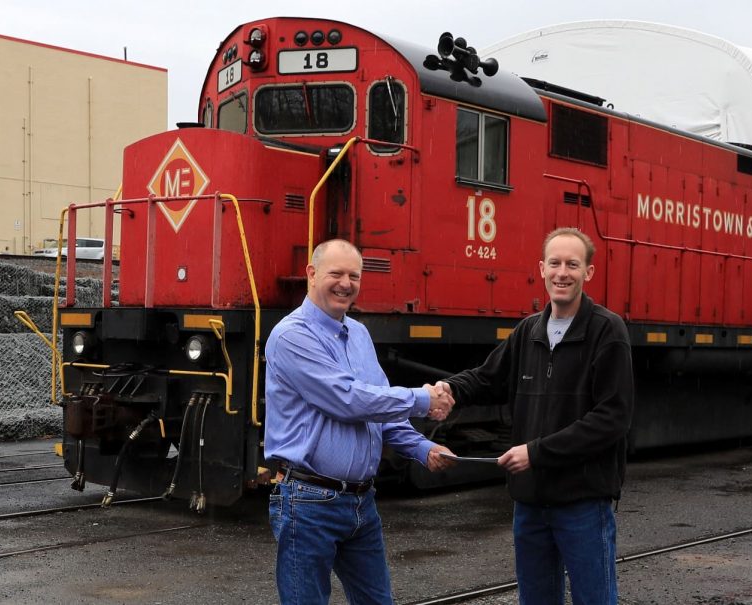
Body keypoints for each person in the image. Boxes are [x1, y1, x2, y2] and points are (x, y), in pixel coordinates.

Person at [438, 227, 634, 605]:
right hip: (530, 506)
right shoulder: (528, 331)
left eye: (572, 265)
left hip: (583, 504)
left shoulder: (607, 331)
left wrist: (536, 452)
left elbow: (613, 418)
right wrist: (447, 390)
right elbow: (486, 378)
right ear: (541, 269)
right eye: (555, 263)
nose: (563, 273)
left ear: (588, 273)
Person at [265, 238, 456, 605]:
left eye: (354, 275)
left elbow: (378, 410)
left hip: (361, 502)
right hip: (308, 502)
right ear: (311, 274)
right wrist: (422, 398)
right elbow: (348, 400)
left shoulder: (359, 335)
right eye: (335, 273)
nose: (345, 283)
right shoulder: (292, 336)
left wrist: (422, 447)